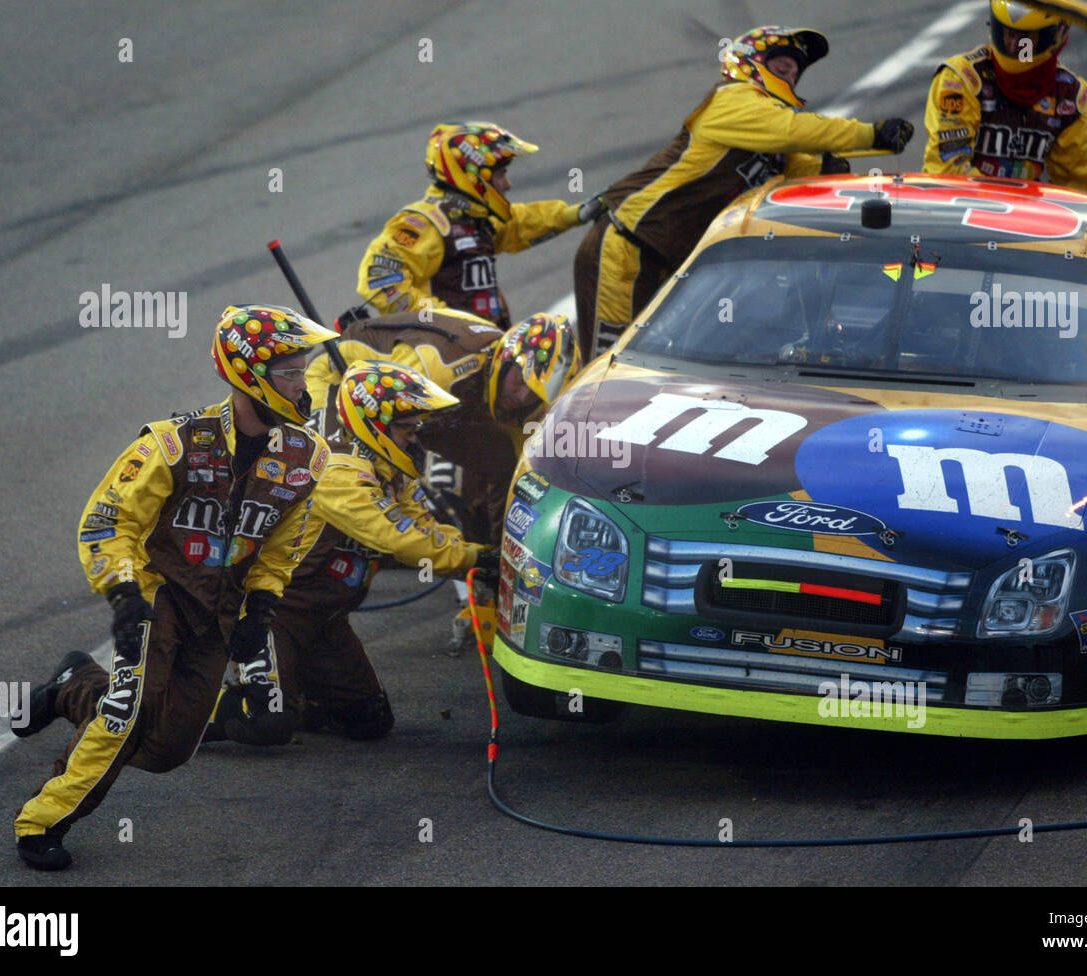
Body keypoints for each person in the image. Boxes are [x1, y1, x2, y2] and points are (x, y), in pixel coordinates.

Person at [9, 304, 335, 870]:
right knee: (126, 715)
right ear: (249, 374)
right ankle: (42, 820)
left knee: (166, 750)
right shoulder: (173, 442)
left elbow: (283, 547)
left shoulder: (309, 457)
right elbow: (108, 522)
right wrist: (123, 595)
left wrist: (262, 606)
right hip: (159, 597)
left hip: (223, 612)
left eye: (301, 368)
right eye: (288, 370)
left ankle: (73, 685)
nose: (300, 382)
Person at [205, 360, 501, 745]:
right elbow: (398, 537)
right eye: (406, 430)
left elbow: (427, 530)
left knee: (368, 722)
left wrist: (483, 558)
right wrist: (474, 560)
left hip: (326, 622)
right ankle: (195, 705)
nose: (414, 439)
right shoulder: (340, 472)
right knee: (267, 722)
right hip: (271, 616)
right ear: (374, 425)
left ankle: (291, 691)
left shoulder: (392, 473)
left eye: (416, 430)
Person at [573, 25, 915, 358]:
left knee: (655, 365)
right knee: (608, 367)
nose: (791, 78)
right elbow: (793, 129)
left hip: (672, 260)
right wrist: (871, 135)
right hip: (627, 246)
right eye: (783, 68)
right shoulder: (732, 99)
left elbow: (804, 175)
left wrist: (833, 168)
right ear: (749, 62)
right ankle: (558, 414)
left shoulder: (775, 135)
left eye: (795, 74)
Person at [303, 309, 582, 653]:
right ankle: (300, 582)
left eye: (536, 395)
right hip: (346, 385)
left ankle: (492, 582)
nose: (522, 398)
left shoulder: (513, 398)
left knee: (511, 470)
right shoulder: (438, 368)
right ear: (506, 361)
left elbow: (530, 478)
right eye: (521, 382)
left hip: (427, 413)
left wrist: (493, 558)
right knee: (357, 484)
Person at [351, 121, 606, 329]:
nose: (508, 185)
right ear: (471, 176)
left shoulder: (474, 217)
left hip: (482, 347)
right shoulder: (423, 223)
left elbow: (519, 223)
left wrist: (575, 214)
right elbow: (379, 279)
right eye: (500, 175)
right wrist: (443, 322)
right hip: (441, 360)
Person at [923, 0, 1087, 194]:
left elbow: (1079, 186)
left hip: (1023, 215)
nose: (1014, 47)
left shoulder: (1070, 97)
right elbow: (948, 176)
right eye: (1008, 33)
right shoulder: (962, 79)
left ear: (1058, 34)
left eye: (1026, 40)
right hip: (963, 211)